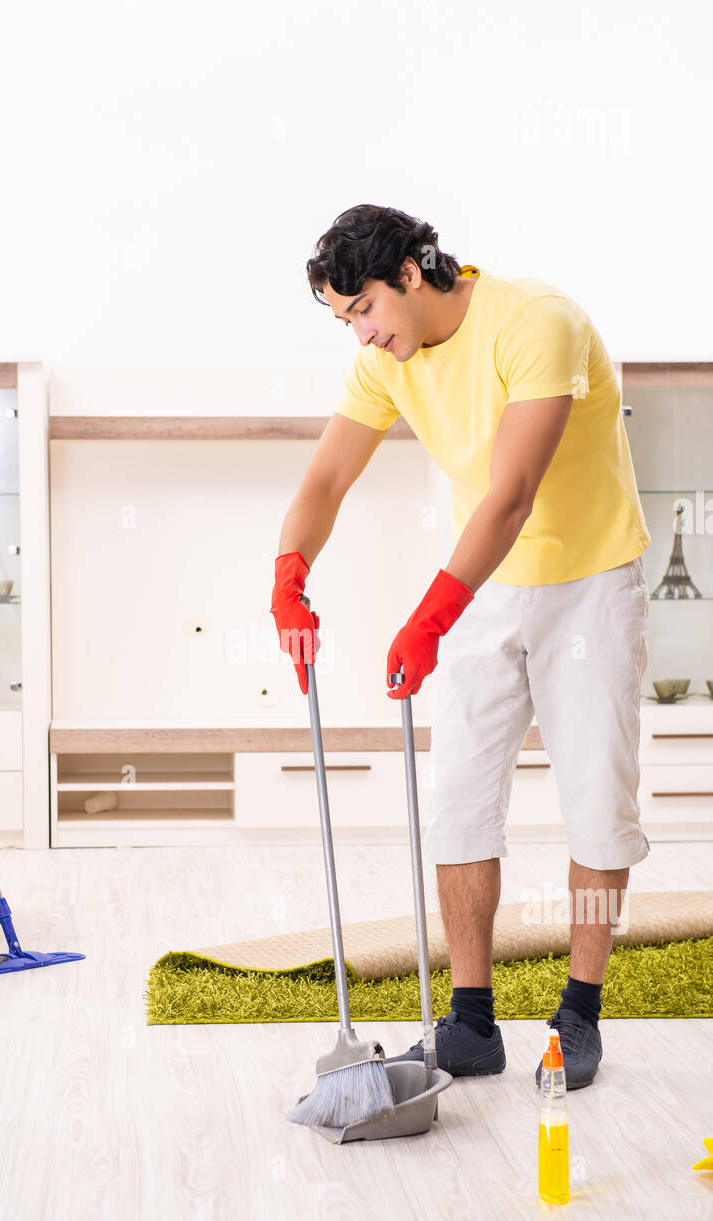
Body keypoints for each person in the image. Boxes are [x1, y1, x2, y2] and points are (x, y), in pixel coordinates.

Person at [270, 203, 651, 1089]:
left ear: (409, 272)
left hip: (589, 585)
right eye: (343, 321)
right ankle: (471, 1023)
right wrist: (289, 571)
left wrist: (430, 615)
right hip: (483, 589)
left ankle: (579, 1014)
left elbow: (512, 492)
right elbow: (327, 475)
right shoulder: (386, 363)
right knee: (461, 806)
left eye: (361, 309)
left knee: (596, 805)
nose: (360, 335)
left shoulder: (535, 322)